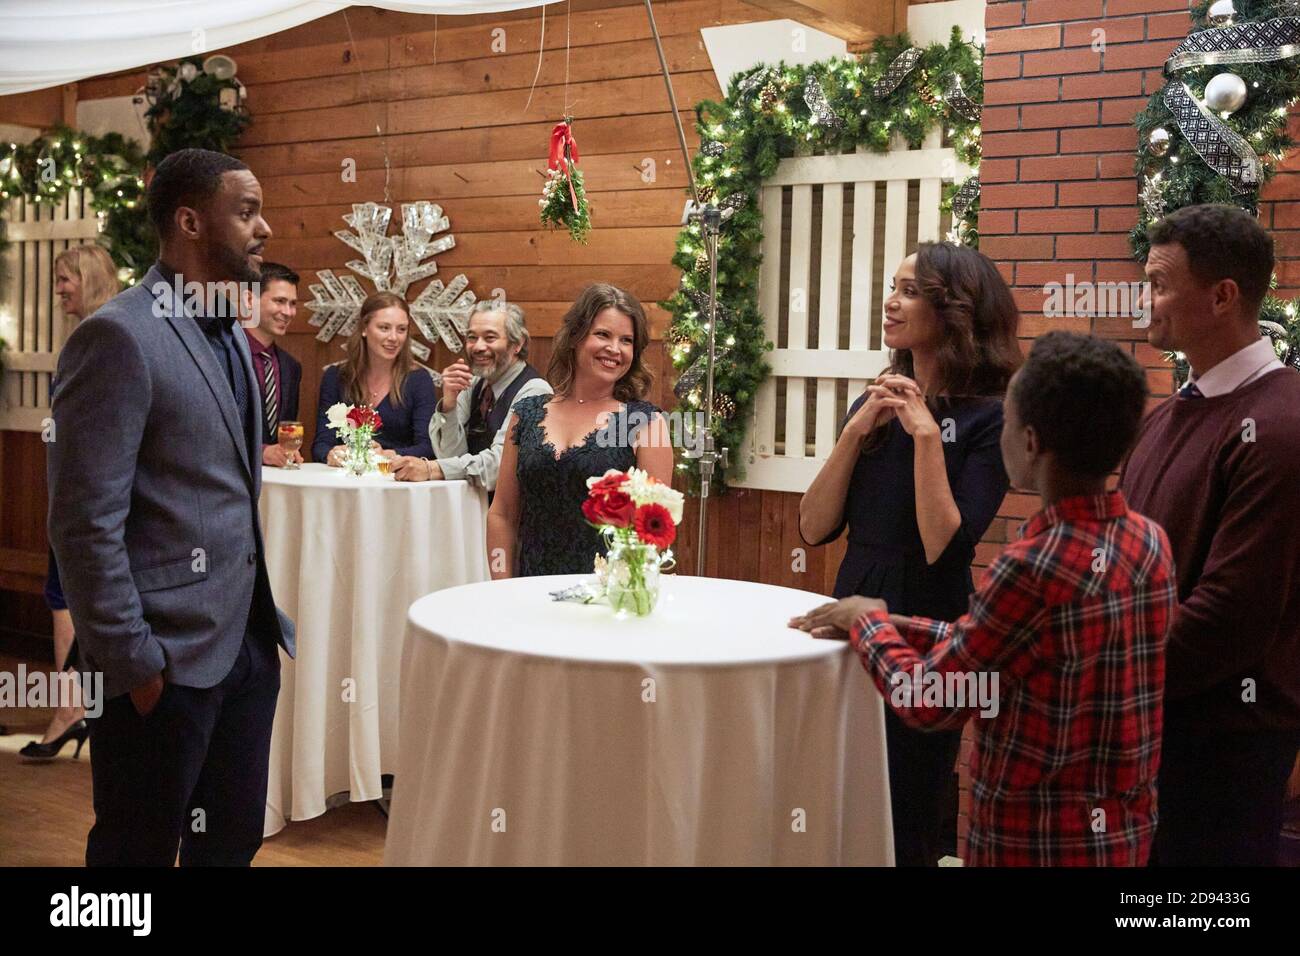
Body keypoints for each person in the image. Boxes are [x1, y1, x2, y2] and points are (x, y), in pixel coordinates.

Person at [792, 331, 1177, 866]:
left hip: (1032, 838)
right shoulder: (1147, 541)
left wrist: (868, 623)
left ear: (1029, 443)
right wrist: (898, 622)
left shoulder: (1029, 565)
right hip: (1121, 833)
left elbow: (931, 699)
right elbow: (1004, 645)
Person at [47, 148, 296, 866]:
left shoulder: (236, 337)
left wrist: (257, 650)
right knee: (136, 853)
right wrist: (136, 666)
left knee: (229, 843)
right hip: (161, 666)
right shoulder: (119, 336)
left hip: (245, 651)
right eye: (246, 211)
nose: (265, 228)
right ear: (190, 220)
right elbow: (82, 524)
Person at [797, 242, 1021, 866]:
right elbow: (813, 529)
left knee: (908, 801)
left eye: (910, 290)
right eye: (892, 286)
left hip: (926, 619)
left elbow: (943, 545)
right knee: (836, 785)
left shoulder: (987, 419)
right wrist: (852, 433)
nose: (891, 301)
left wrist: (926, 437)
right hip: (853, 600)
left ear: (954, 309)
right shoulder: (872, 405)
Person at [1119, 203, 1300, 866]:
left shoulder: (1281, 426)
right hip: (1153, 724)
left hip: (1224, 744)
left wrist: (1105, 674)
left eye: (1161, 283)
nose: (1147, 301)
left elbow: (1232, 614)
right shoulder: (1169, 416)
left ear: (1224, 295)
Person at [486, 283, 672, 577]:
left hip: (606, 600)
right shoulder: (526, 414)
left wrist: (621, 591)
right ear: (575, 336)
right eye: (603, 334)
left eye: (626, 340)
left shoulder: (647, 423)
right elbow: (502, 513)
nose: (614, 348)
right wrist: (501, 580)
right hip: (529, 592)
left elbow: (655, 527)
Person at [22, 244, 119, 761]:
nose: (58, 290)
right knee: (64, 593)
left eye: (65, 280)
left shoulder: (100, 337)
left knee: (67, 595)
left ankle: (71, 710)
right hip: (76, 489)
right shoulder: (93, 333)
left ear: (89, 280)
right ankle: (76, 709)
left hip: (88, 496)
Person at [391, 300, 552, 494]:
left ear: (517, 344)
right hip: (469, 508)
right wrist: (449, 405)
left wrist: (431, 469)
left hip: (515, 518)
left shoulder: (535, 392)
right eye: (472, 337)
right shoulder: (473, 385)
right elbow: (450, 456)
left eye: (490, 338)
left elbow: (500, 466)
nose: (478, 347)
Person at [312, 291, 436, 464]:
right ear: (364, 328)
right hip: (346, 479)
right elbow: (320, 445)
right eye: (384, 328)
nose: (394, 338)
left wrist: (387, 454)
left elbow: (428, 448)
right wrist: (332, 454)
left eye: (401, 329)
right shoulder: (336, 377)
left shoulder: (418, 380)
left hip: (397, 480)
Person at [242, 261, 303, 467]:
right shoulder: (222, 355)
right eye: (279, 301)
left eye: (293, 303)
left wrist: (288, 453)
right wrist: (261, 452)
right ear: (250, 300)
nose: (288, 312)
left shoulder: (291, 367)